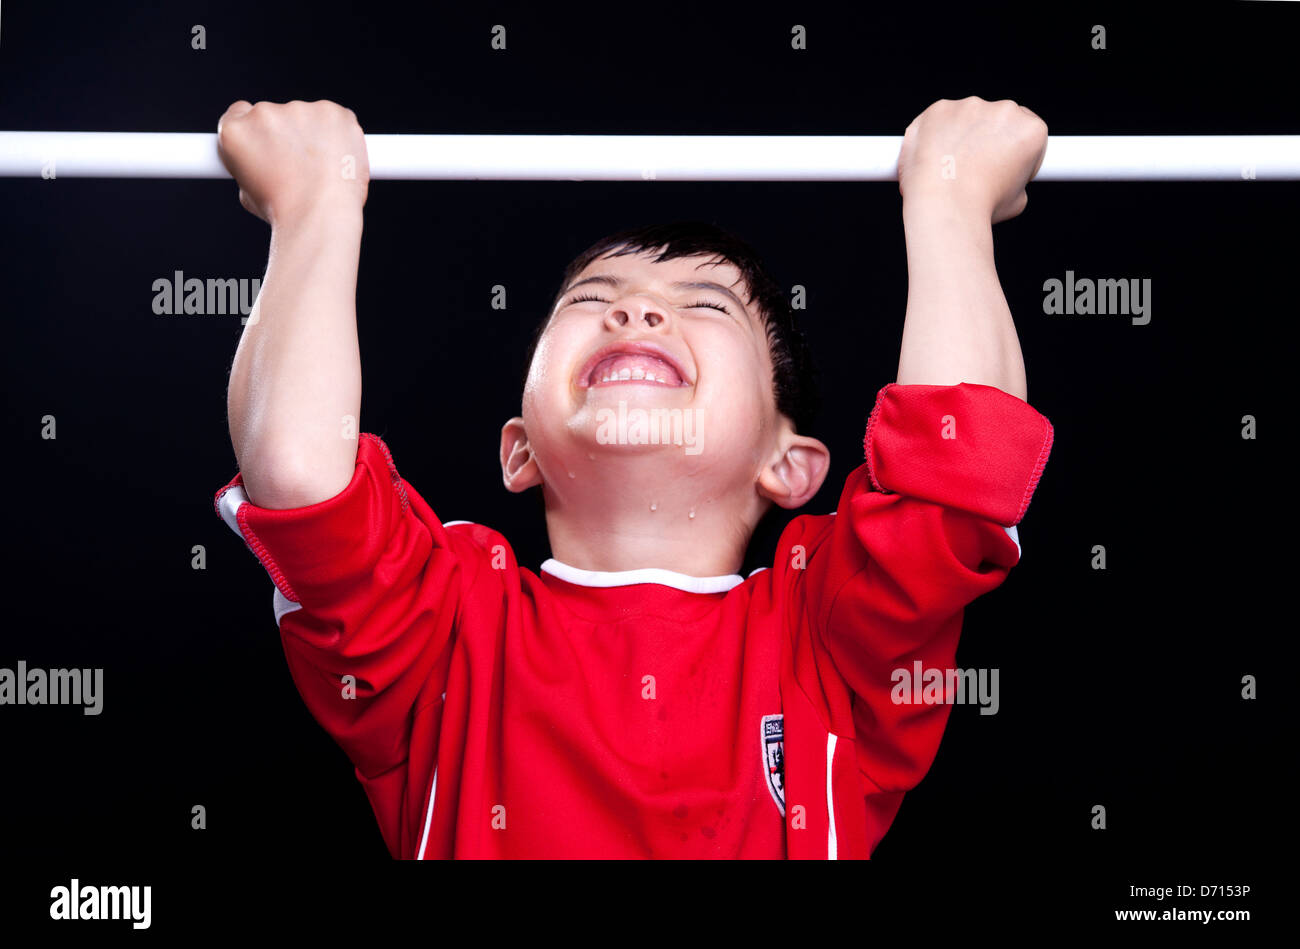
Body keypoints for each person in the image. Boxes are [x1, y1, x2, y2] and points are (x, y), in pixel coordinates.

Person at [212, 96, 1054, 858]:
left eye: (704, 304)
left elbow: (957, 471)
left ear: (787, 465)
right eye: (592, 299)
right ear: (520, 450)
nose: (638, 309)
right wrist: (316, 205)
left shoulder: (825, 628)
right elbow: (299, 472)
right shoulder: (447, 623)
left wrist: (949, 204)